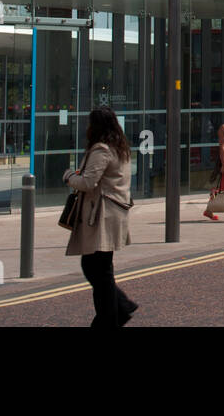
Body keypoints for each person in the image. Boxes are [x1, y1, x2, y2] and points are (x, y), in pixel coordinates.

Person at [64, 107, 137, 327]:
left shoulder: (102, 150)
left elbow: (87, 182)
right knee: (101, 269)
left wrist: (68, 176)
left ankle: (111, 317)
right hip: (114, 214)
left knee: (95, 268)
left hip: (101, 216)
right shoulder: (120, 148)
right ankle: (119, 309)